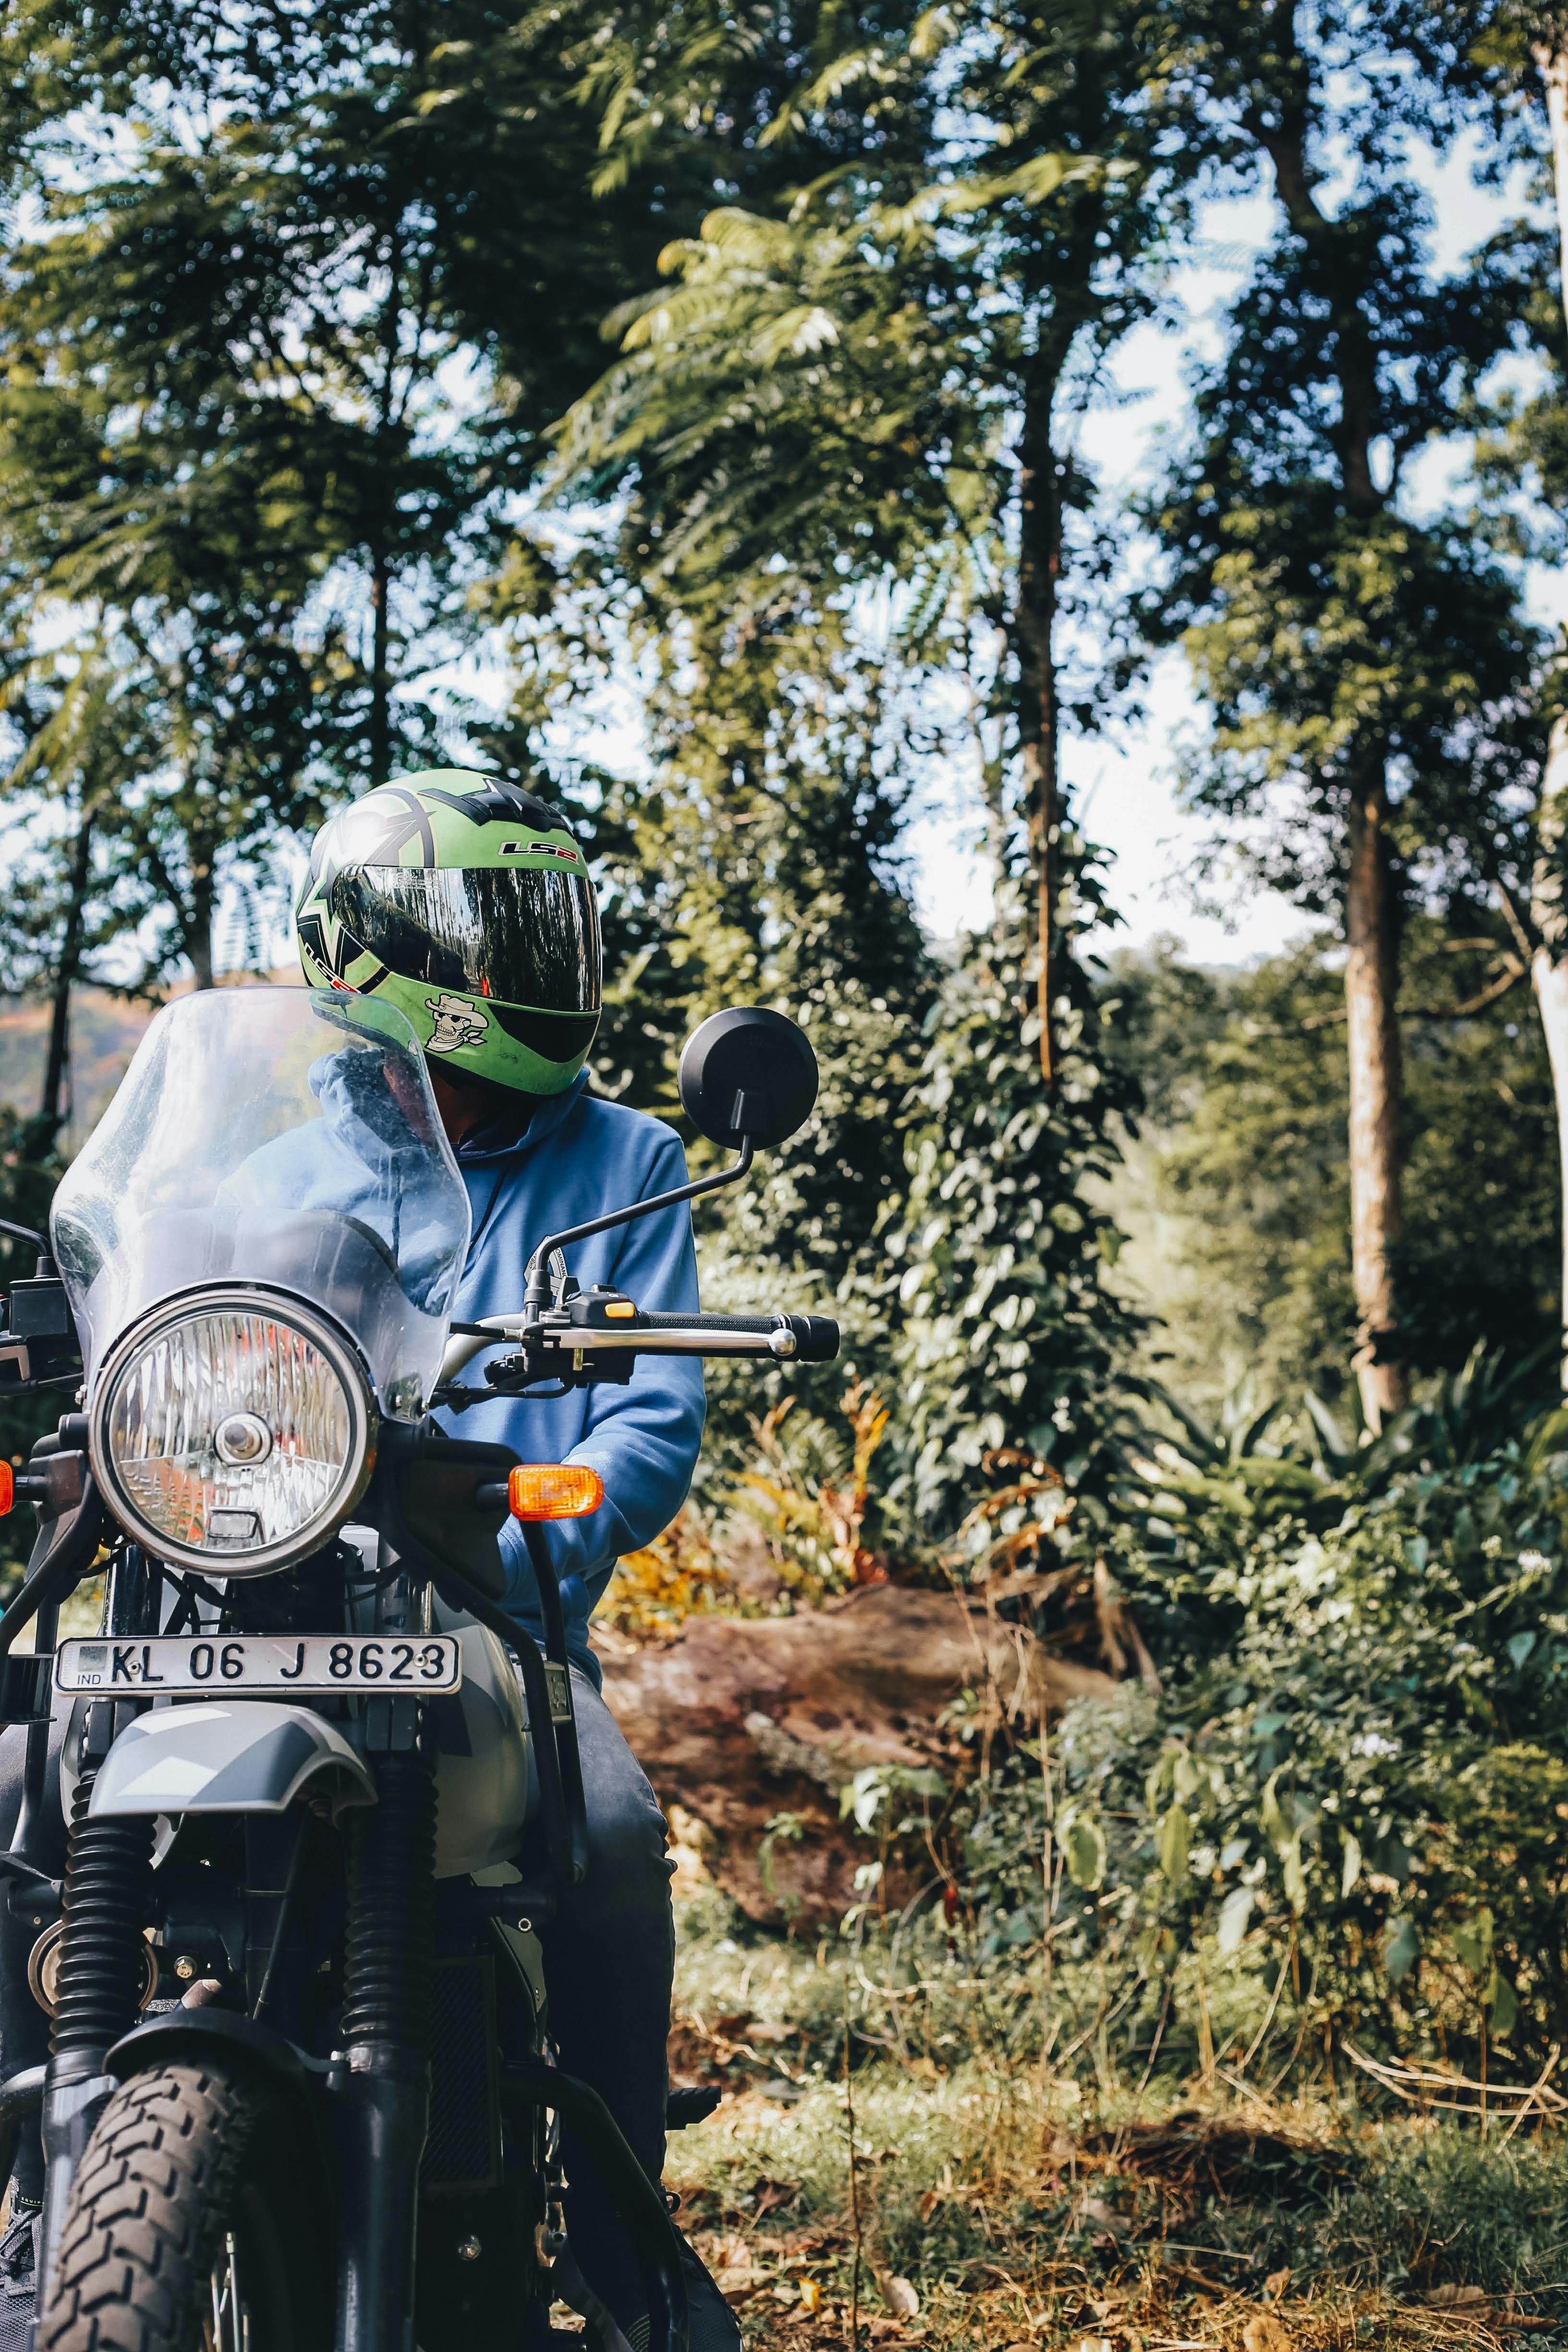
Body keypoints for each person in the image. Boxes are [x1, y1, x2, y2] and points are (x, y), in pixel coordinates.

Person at [0, 769, 742, 2352]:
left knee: (608, 1831)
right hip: (235, 1617)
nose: (524, 966)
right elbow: (171, 1325)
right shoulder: (267, 1168)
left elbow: (652, 1428)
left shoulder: (622, 1161)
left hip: (485, 1623)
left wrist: (549, 1505)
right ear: (374, 947)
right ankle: (31, 2212)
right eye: (488, 934)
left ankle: (623, 2254)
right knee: (16, 1789)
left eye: (540, 927)